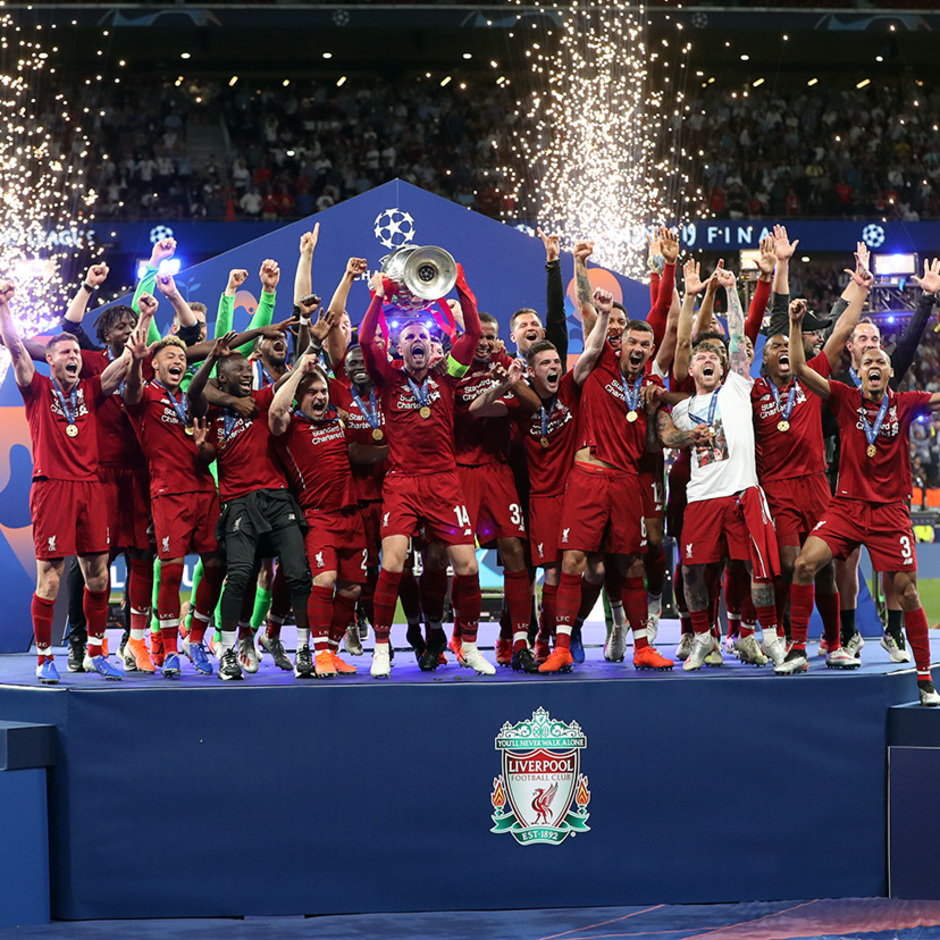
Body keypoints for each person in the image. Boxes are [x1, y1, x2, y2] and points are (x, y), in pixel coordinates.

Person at [786, 279, 940, 705]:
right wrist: (797, 326)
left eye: (881, 361)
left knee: (907, 592)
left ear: (890, 372)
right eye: (867, 359)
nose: (874, 363)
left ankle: (925, 679)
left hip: (891, 512)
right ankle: (798, 649)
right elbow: (799, 370)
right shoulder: (845, 397)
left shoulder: (907, 401)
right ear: (859, 369)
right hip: (847, 507)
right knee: (804, 565)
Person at [359, 264, 493, 678]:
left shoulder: (447, 375)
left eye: (423, 337)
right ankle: (382, 647)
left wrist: (463, 287)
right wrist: (378, 295)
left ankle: (467, 644)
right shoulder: (387, 379)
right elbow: (365, 339)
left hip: (444, 482)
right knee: (394, 563)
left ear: (434, 348)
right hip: (401, 483)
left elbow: (471, 334)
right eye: (409, 338)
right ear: (398, 350)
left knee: (468, 567)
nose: (417, 341)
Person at [469, 287, 612, 671]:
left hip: (577, 493)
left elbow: (593, 354)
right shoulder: (519, 401)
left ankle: (567, 630)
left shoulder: (569, 387)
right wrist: (504, 383)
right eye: (544, 363)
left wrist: (602, 317)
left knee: (586, 569)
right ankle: (537, 640)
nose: (552, 367)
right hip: (537, 497)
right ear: (530, 370)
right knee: (544, 571)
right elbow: (478, 409)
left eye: (555, 361)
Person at [0, 281, 132, 684]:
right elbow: (17, 349)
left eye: (77, 352)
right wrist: (4, 307)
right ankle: (44, 657)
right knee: (51, 576)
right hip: (52, 486)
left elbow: (120, 366)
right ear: (51, 360)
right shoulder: (36, 389)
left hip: (90, 488)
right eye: (66, 353)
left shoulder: (91, 391)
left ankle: (95, 651)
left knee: (99, 575)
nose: (75, 357)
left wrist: (142, 322)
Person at [752, 247, 875, 671]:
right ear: (764, 358)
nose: (784, 350)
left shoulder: (811, 376)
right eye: (776, 346)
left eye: (790, 345)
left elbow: (841, 332)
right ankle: (790, 640)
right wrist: (780, 270)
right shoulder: (752, 393)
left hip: (817, 483)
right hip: (777, 489)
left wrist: (858, 288)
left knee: (822, 565)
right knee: (791, 564)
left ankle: (834, 643)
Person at [543, 288, 676, 674]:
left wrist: (688, 434)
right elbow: (591, 331)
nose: (637, 348)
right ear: (619, 346)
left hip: (627, 482)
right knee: (573, 560)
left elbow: (659, 438)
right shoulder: (600, 364)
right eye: (631, 341)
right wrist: (602, 313)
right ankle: (562, 646)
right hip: (587, 476)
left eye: (644, 344)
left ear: (651, 351)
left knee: (633, 564)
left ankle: (642, 648)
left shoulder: (652, 386)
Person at [663, 267, 784, 673]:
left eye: (714, 356)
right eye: (701, 357)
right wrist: (687, 437)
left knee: (756, 569)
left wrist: (732, 292)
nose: (708, 358)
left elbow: (736, 340)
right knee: (693, 573)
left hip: (742, 493)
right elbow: (665, 435)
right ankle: (701, 638)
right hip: (700, 499)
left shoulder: (736, 387)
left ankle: (771, 637)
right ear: (691, 370)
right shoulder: (682, 409)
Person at [188, 335, 312, 681]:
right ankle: (227, 650)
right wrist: (203, 451)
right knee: (239, 575)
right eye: (239, 369)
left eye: (248, 369)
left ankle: (304, 649)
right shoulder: (210, 412)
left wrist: (308, 352)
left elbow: (287, 380)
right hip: (237, 502)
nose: (247, 373)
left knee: (298, 573)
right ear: (222, 378)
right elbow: (193, 391)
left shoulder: (260, 400)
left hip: (277, 498)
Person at [124, 317, 226, 679]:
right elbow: (130, 390)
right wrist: (135, 361)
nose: (177, 362)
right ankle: (167, 650)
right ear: (154, 362)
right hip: (168, 495)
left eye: (181, 358)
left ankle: (195, 638)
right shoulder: (144, 394)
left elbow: (210, 451)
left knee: (217, 565)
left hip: (205, 491)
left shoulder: (195, 398)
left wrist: (203, 450)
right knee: (169, 572)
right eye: (169, 356)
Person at [269, 345, 379, 678]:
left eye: (323, 392)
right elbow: (275, 410)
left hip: (352, 515)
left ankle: (331, 651)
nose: (320, 397)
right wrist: (301, 371)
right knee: (325, 579)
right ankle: (319, 654)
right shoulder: (288, 427)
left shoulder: (338, 420)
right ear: (299, 397)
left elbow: (363, 444)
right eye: (312, 392)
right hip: (316, 516)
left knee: (352, 589)